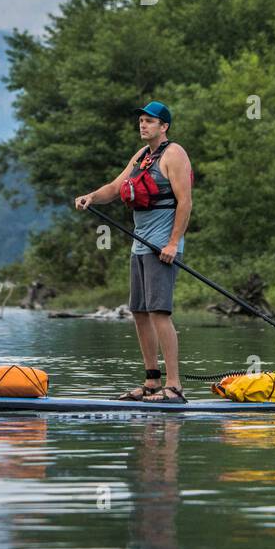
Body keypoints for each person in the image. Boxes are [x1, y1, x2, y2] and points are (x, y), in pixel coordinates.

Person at [75, 101, 193, 402]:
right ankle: (152, 381)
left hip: (162, 248)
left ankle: (175, 386)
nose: (143, 125)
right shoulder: (142, 156)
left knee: (159, 312)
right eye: (141, 120)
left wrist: (172, 243)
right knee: (139, 312)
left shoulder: (174, 154)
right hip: (140, 245)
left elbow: (185, 202)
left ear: (163, 126)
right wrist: (91, 196)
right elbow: (115, 188)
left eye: (149, 121)